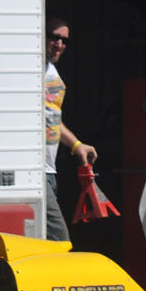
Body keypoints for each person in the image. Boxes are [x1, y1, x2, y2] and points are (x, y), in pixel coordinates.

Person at [43, 17, 98, 241]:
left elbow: (52, 118)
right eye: (54, 37)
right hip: (37, 172)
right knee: (60, 240)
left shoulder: (52, 72)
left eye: (64, 40)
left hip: (50, 169)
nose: (59, 44)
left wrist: (76, 145)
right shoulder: (28, 71)